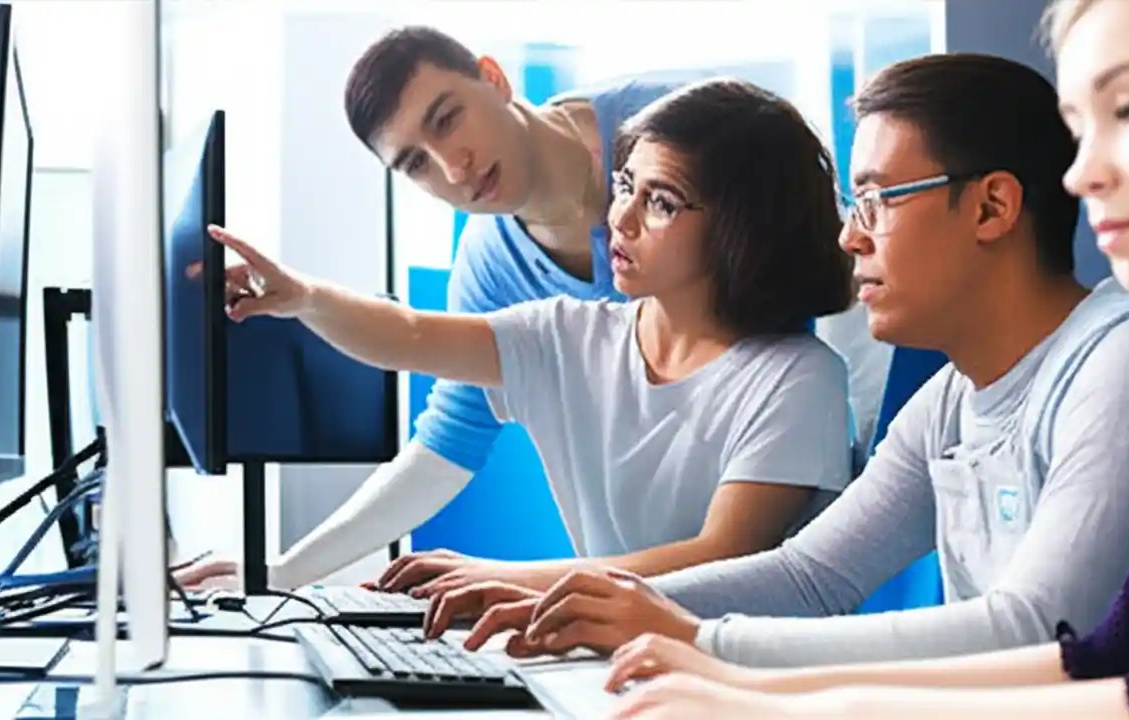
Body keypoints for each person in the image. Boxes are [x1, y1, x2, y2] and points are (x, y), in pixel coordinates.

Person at [424, 51, 1129, 675]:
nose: (850, 237)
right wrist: (570, 597)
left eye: (878, 201)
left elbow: (1041, 626)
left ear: (992, 207)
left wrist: (701, 640)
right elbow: (810, 577)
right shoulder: (948, 399)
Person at [599, 1, 1129, 718]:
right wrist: (653, 628)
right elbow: (1103, 654)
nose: (852, 236)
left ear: (992, 208)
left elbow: (1078, 644)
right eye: (1079, 129)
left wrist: (727, 659)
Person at [247, 26, 880, 593]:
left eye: (446, 120)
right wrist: (283, 573)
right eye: (414, 164)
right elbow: (421, 363)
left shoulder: (686, 130)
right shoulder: (539, 309)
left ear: (493, 79)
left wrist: (863, 479)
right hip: (635, 609)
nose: (451, 166)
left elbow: (838, 273)